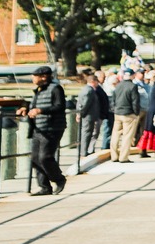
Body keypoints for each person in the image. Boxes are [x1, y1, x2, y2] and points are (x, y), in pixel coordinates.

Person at [23, 65, 68, 194]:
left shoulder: (56, 89)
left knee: (45, 157)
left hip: (52, 128)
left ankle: (59, 179)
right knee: (35, 158)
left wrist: (41, 111)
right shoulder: (38, 90)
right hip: (38, 128)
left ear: (44, 77)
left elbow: (60, 106)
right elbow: (34, 105)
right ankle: (44, 187)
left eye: (34, 76)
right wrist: (25, 108)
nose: (32, 78)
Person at [109, 68, 143, 163]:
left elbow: (113, 99)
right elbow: (135, 101)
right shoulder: (133, 86)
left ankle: (114, 155)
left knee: (115, 135)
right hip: (129, 113)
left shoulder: (118, 85)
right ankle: (123, 157)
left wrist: (114, 109)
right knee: (127, 136)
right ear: (132, 75)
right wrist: (136, 113)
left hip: (118, 113)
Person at [77, 68, 111, 162]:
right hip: (88, 116)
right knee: (87, 133)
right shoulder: (89, 90)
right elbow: (85, 104)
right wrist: (81, 114)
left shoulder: (91, 90)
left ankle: (86, 151)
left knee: (89, 133)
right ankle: (84, 152)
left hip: (92, 116)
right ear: (93, 81)